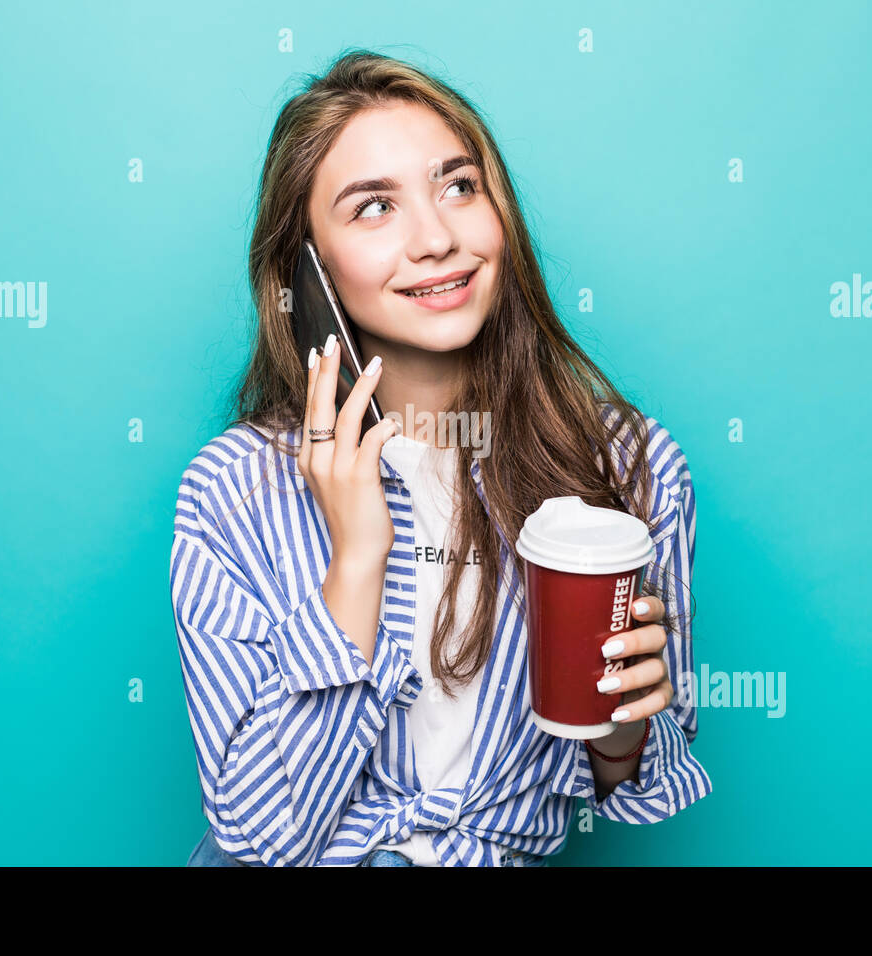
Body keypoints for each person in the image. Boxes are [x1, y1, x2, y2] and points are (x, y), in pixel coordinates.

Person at [172, 49, 712, 867]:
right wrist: (356, 558)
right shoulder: (233, 490)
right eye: (373, 208)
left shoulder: (630, 468)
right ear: (308, 269)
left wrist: (626, 723)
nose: (436, 238)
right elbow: (264, 835)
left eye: (458, 186)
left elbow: (636, 782)